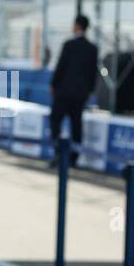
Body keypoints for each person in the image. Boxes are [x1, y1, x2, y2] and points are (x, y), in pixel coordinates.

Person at [49, 15, 98, 164]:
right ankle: (73, 158)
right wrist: (89, 91)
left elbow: (61, 67)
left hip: (64, 92)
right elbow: (93, 72)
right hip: (81, 94)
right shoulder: (92, 48)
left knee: (55, 119)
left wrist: (53, 84)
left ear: (77, 25)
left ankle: (59, 153)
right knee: (76, 125)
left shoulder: (69, 45)